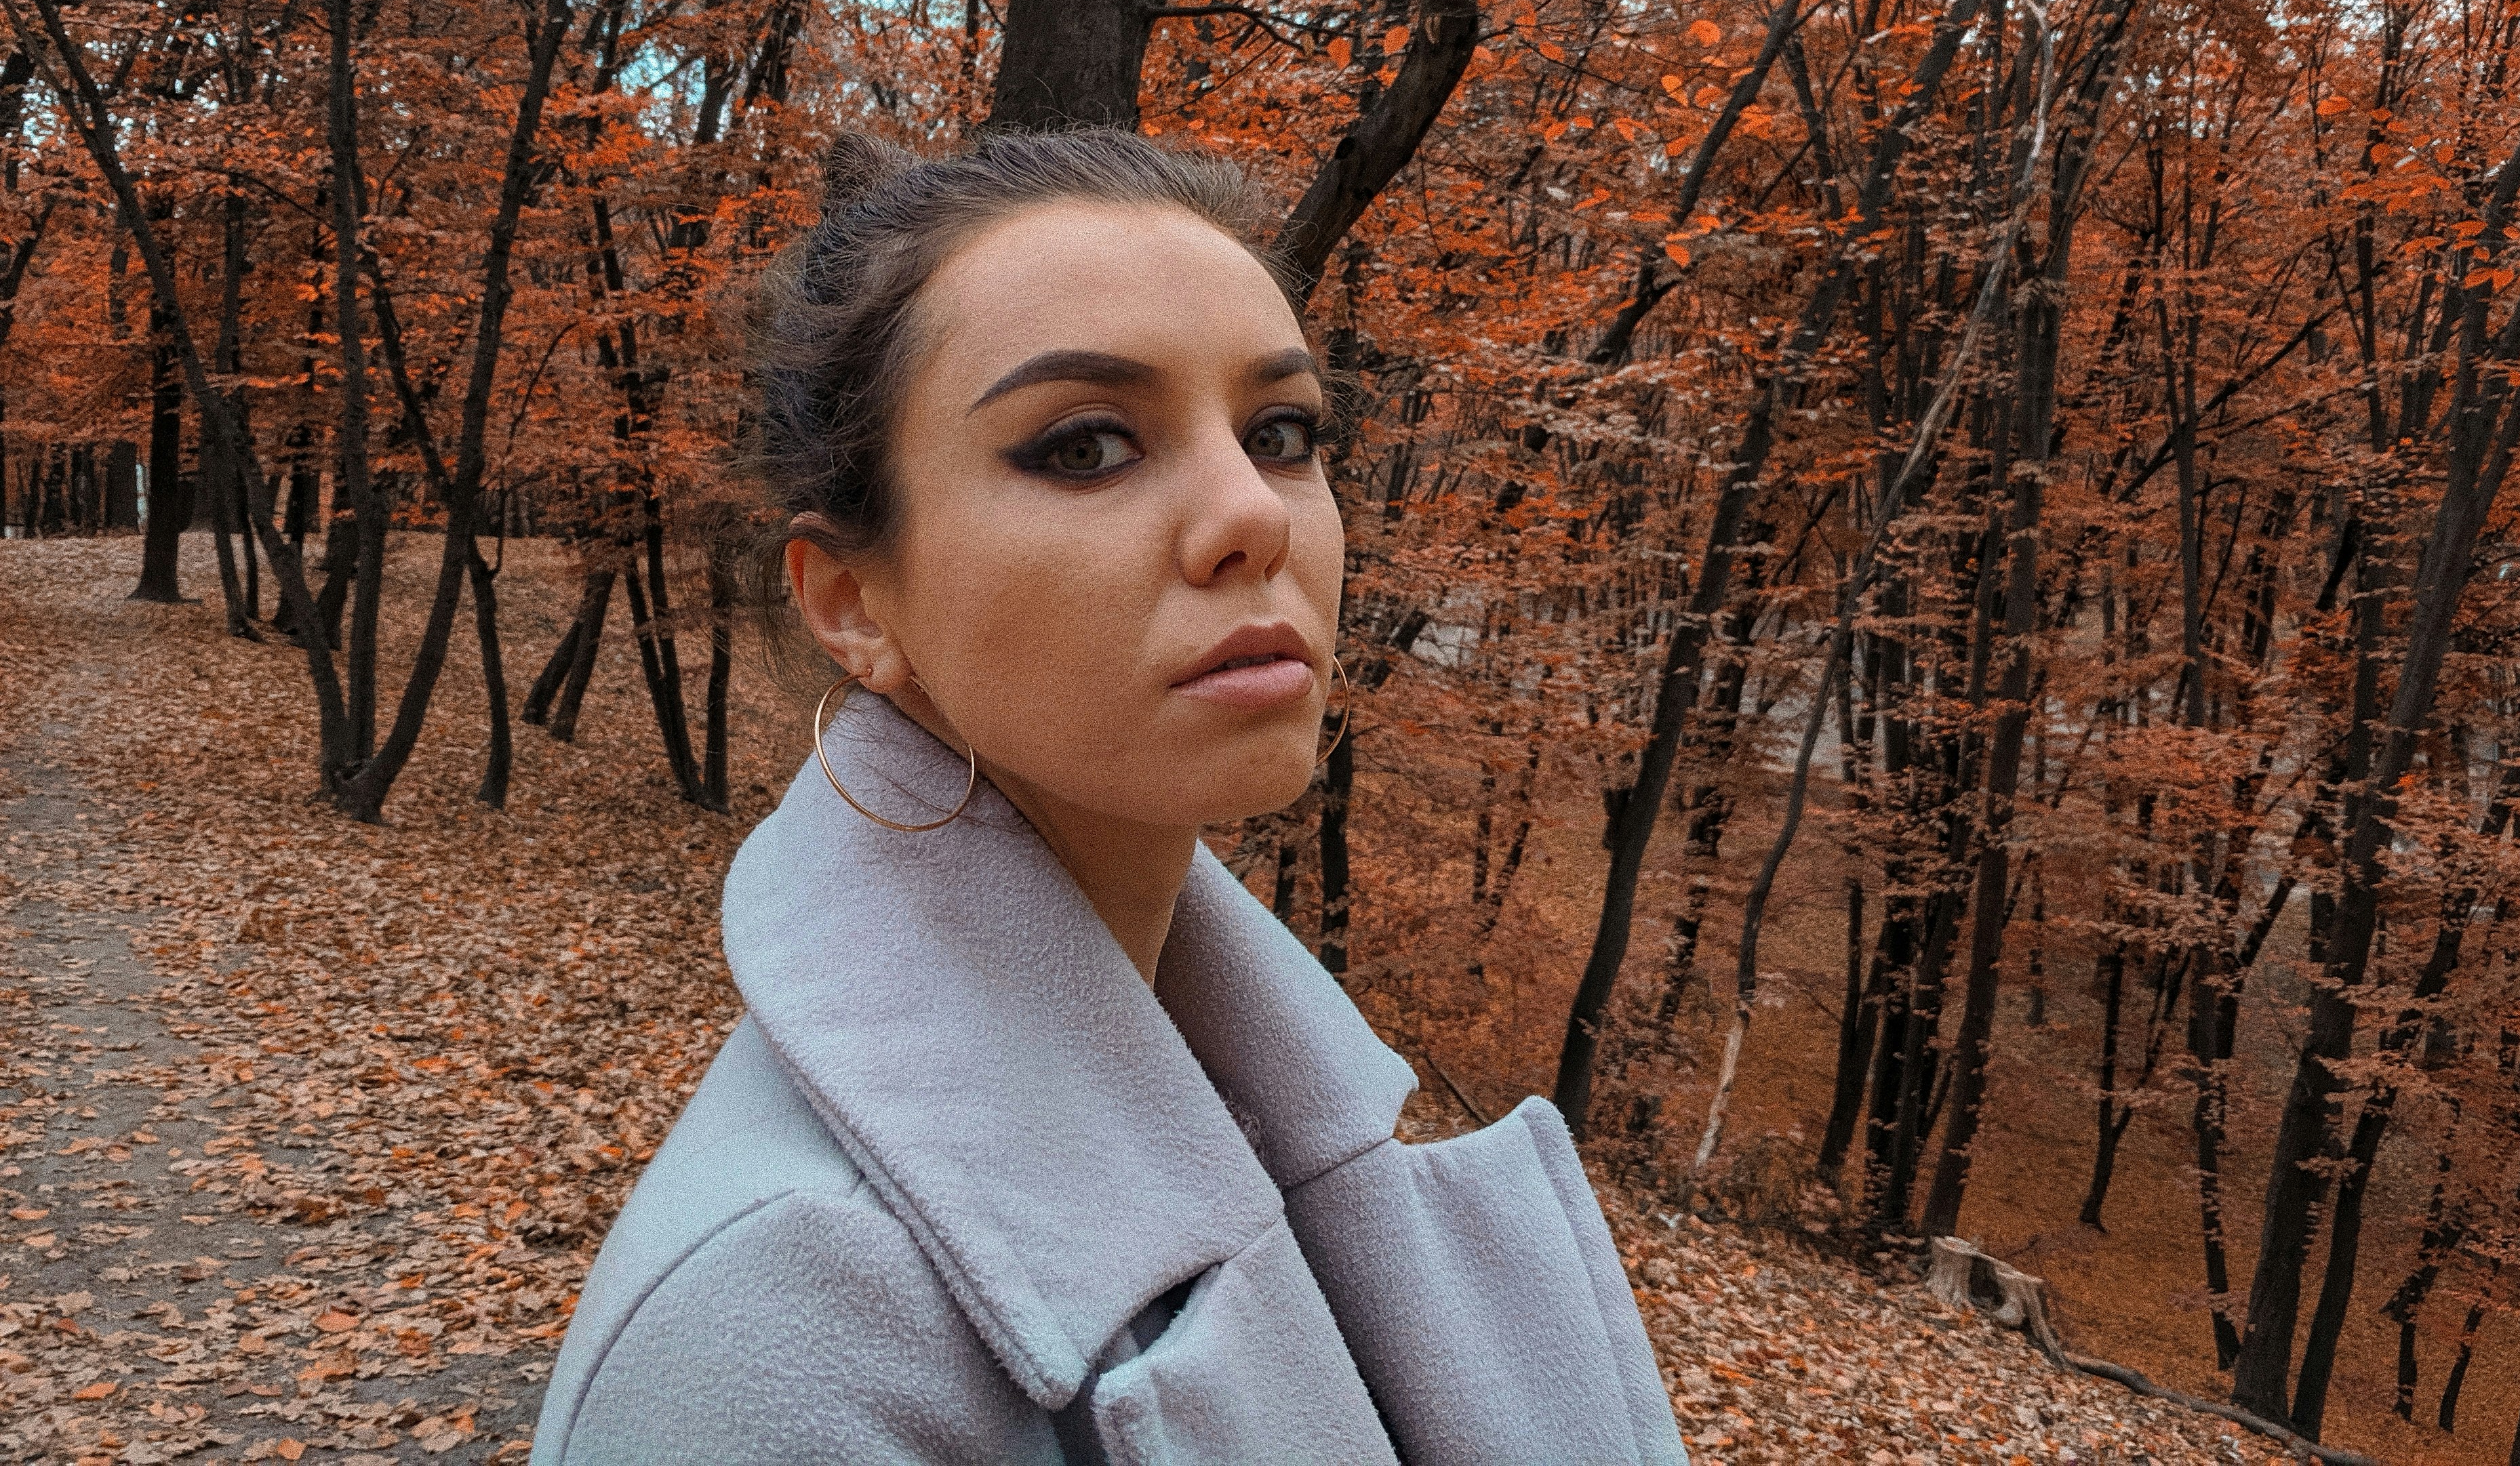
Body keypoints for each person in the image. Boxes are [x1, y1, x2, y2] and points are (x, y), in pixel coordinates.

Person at [529, 129, 1686, 1465]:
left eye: (1282, 430)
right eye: (1084, 446)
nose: (1250, 512)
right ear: (852, 601)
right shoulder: (777, 1319)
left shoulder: (1269, 1101)